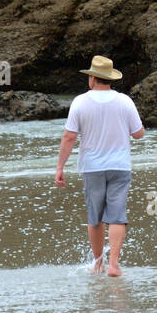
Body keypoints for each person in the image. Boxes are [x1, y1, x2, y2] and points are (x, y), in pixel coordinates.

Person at [55, 55, 145, 277]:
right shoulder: (125, 101)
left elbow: (69, 137)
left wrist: (60, 167)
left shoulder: (80, 102)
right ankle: (114, 265)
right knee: (117, 215)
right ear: (109, 78)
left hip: (92, 167)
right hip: (119, 166)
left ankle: (98, 263)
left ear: (93, 78)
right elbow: (138, 134)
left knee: (95, 217)